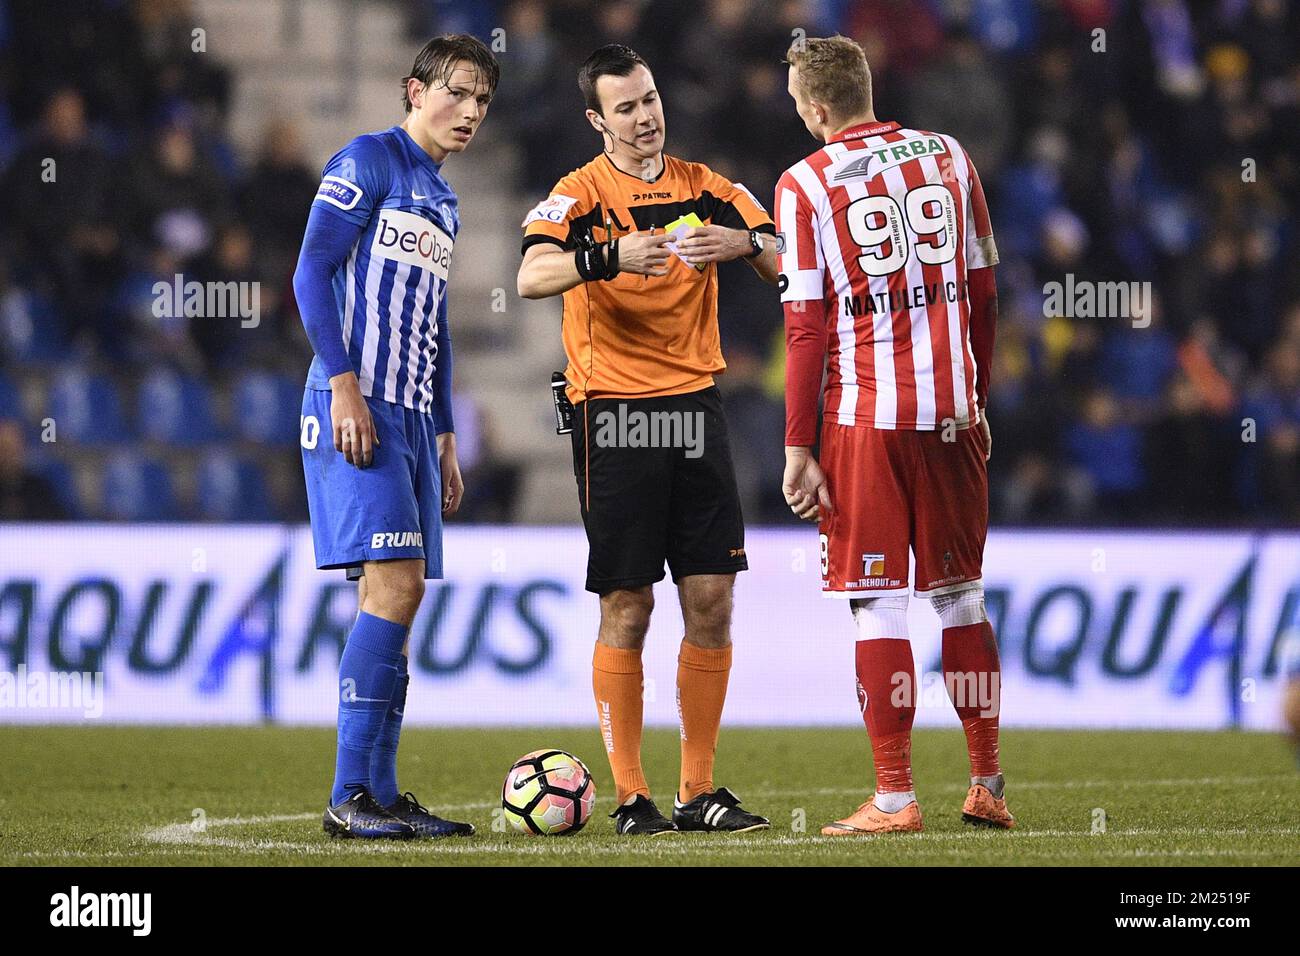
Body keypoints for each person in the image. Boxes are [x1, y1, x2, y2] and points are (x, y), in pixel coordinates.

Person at [517, 44, 777, 836]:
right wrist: (607, 257)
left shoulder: (708, 186)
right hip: (617, 414)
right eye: (626, 106)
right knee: (628, 604)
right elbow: (531, 275)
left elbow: (788, 259)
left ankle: (698, 791)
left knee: (712, 598)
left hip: (696, 406)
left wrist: (742, 246)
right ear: (597, 120)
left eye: (651, 98)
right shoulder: (579, 195)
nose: (646, 116)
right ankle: (633, 799)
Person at [777, 36, 1012, 835]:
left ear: (814, 107)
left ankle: (894, 797)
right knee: (961, 597)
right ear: (867, 88)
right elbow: (983, 288)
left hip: (868, 422)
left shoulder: (803, 183)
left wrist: (796, 445)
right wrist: (975, 394)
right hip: (953, 415)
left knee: (878, 607)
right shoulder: (950, 156)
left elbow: (806, 325)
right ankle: (987, 782)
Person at [293, 34, 499, 840]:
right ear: (414, 90)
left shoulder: (442, 198)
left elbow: (434, 327)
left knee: (397, 603)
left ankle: (378, 793)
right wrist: (343, 383)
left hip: (413, 419)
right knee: (396, 589)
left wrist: (446, 433)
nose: (472, 111)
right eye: (458, 92)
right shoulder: (366, 161)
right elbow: (310, 271)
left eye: (483, 100)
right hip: (358, 405)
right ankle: (350, 797)